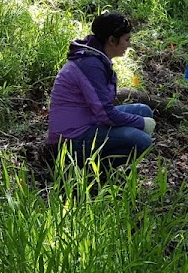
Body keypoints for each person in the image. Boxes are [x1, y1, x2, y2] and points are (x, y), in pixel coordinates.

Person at [47, 12, 156, 168]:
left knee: (143, 111)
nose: (129, 45)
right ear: (112, 40)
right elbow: (105, 113)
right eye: (126, 40)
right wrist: (140, 123)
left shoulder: (95, 58)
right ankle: (92, 171)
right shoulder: (90, 64)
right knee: (142, 140)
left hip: (89, 121)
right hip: (70, 139)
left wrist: (139, 121)